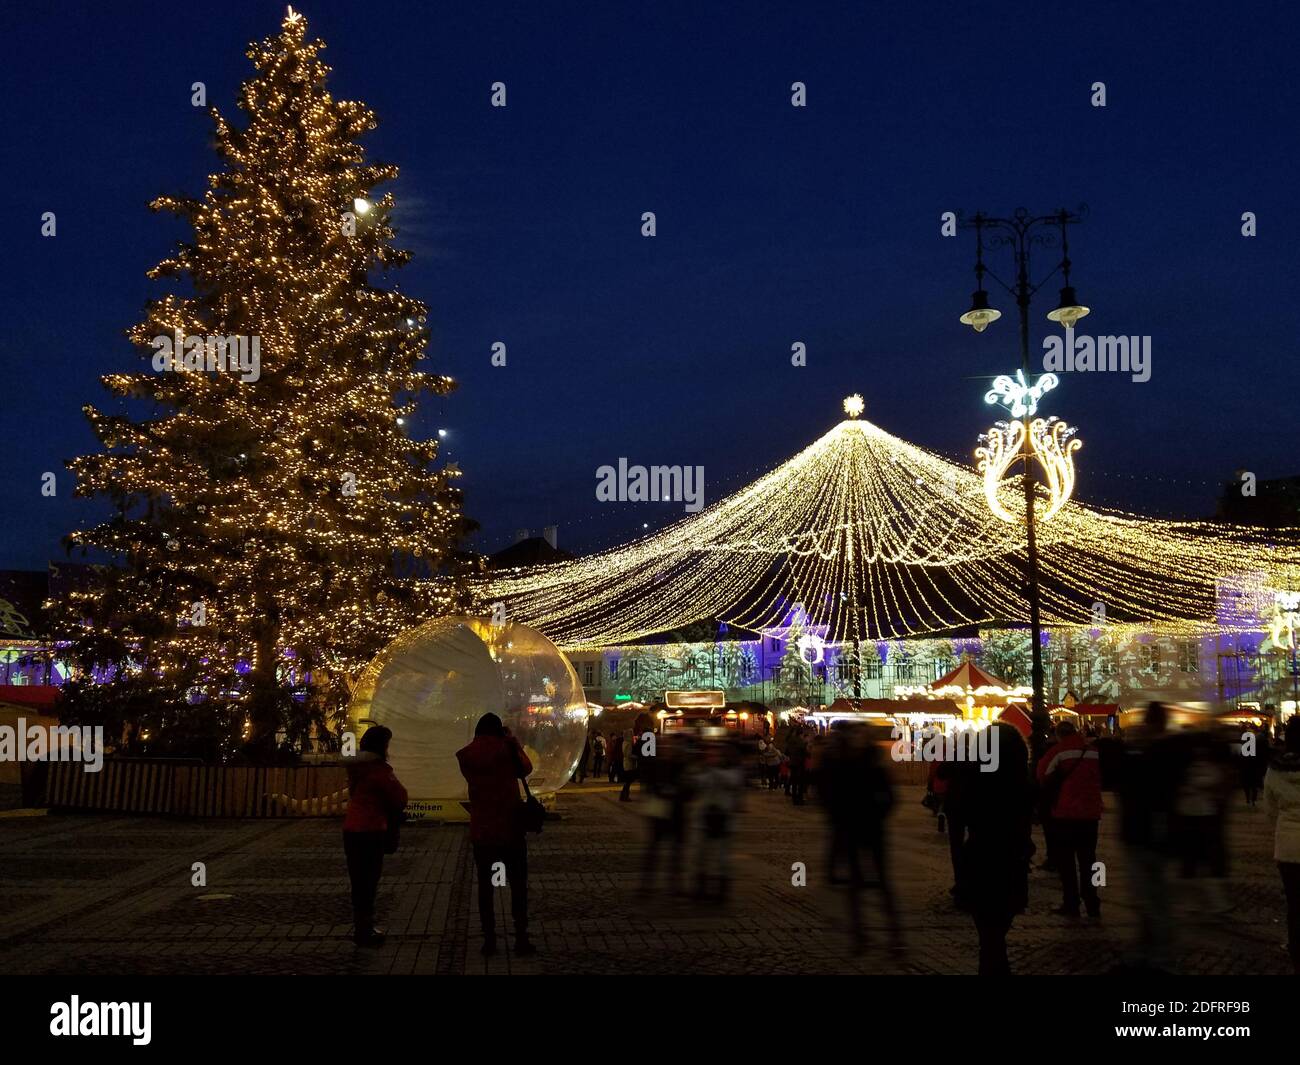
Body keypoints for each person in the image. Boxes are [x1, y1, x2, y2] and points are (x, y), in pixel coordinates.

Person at [456, 713, 535, 957]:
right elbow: (526, 768)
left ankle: (489, 939)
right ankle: (520, 937)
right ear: (499, 730)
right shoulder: (506, 749)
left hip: (483, 830)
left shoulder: (466, 755)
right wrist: (513, 742)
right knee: (517, 885)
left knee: (487, 887)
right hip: (510, 828)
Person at [821, 722, 902, 952]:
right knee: (858, 886)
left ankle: (892, 936)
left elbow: (890, 798)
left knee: (882, 885)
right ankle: (861, 935)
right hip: (853, 830)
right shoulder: (844, 763)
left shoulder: (872, 764)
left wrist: (876, 813)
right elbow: (830, 795)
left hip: (872, 830)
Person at [1116, 702, 1183, 971]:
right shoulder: (1168, 753)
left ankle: (1160, 955)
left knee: (1152, 898)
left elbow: (1129, 789)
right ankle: (1148, 949)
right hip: (1153, 833)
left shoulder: (1152, 755)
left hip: (1145, 833)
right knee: (1149, 897)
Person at [963, 722, 1033, 975]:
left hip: (982, 856)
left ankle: (993, 965)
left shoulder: (974, 776)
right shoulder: (1022, 780)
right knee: (999, 928)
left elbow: (965, 813)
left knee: (988, 934)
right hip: (1012, 857)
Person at [342, 725, 408, 947]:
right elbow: (399, 797)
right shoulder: (378, 770)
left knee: (358, 881)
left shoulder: (357, 768)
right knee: (369, 881)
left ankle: (362, 925)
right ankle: (365, 928)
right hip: (370, 830)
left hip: (352, 829)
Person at [1037, 720, 1103, 920]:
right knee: (1090, 859)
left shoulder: (1058, 751)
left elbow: (1042, 775)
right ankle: (1093, 901)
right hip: (1090, 813)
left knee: (1066, 860)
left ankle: (1071, 902)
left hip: (1065, 813)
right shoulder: (1092, 751)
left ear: (1058, 735)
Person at [1263, 718, 1300, 973]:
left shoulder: (1275, 768)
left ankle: (1297, 950)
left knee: (1295, 903)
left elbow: (1270, 809)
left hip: (1287, 846)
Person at [689, 739, 745, 900]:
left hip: (724, 817)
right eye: (710, 754)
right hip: (704, 817)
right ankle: (700, 886)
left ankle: (721, 890)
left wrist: (712, 770)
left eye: (716, 754)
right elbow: (697, 784)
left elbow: (732, 782)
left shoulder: (732, 771)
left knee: (722, 856)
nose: (712, 757)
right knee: (700, 854)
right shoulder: (703, 770)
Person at [621, 728, 641, 801]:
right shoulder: (629, 743)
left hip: (626, 763)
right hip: (629, 764)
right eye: (631, 734)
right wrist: (637, 757)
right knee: (628, 782)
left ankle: (623, 796)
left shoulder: (624, 742)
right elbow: (629, 754)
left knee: (627, 781)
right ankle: (625, 796)